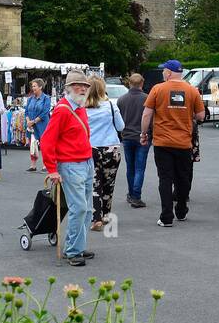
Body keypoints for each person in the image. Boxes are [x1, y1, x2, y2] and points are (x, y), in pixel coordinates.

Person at [39, 71, 96, 266]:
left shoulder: (78, 107)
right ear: (69, 87)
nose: (83, 89)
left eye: (85, 86)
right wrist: (52, 169)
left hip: (85, 162)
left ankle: (77, 246)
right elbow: (47, 140)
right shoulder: (63, 109)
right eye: (78, 85)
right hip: (72, 165)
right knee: (79, 208)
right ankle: (72, 250)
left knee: (87, 209)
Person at [140, 60, 206, 227]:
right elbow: (201, 116)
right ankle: (181, 210)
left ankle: (166, 217)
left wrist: (143, 134)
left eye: (164, 71)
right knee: (183, 178)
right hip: (184, 143)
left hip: (162, 142)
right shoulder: (192, 90)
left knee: (165, 179)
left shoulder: (157, 89)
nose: (162, 73)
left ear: (169, 72)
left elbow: (147, 114)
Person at [85, 75, 125, 231]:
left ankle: (96, 218)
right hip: (111, 147)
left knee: (95, 184)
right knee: (109, 183)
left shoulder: (82, 107)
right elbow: (121, 126)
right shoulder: (110, 105)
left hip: (91, 148)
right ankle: (107, 214)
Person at [117, 73, 151, 207]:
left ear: (129, 84)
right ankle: (136, 196)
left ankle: (131, 194)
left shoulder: (121, 99)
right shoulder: (147, 99)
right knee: (139, 168)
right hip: (143, 137)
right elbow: (151, 118)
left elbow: (118, 122)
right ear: (142, 84)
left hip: (127, 137)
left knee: (130, 167)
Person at [23, 78, 51, 172]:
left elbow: (45, 112)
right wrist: (28, 121)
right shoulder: (30, 99)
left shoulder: (46, 98)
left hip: (42, 124)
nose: (32, 88)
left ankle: (46, 165)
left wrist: (33, 121)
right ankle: (33, 165)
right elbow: (26, 111)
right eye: (32, 86)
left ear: (40, 87)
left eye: (34, 86)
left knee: (44, 145)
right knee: (32, 145)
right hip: (31, 125)